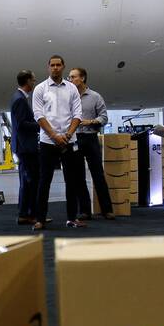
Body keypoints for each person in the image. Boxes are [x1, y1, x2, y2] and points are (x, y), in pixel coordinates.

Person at [31, 54, 87, 230]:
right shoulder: (40, 89)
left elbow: (78, 114)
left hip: (69, 141)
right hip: (48, 141)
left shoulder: (72, 89)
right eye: (52, 65)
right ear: (48, 67)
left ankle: (72, 218)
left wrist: (68, 134)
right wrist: (55, 135)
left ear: (63, 67)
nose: (55, 68)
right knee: (44, 181)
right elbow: (38, 115)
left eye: (58, 65)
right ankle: (40, 219)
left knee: (72, 181)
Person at [69, 67, 115, 220]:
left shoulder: (95, 97)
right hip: (75, 139)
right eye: (69, 77)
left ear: (82, 78)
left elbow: (104, 117)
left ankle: (107, 210)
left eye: (73, 77)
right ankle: (85, 211)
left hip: (91, 138)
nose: (70, 80)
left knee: (98, 175)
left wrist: (92, 121)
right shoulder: (68, 98)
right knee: (78, 177)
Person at [9, 70, 39, 225]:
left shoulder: (18, 97)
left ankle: (25, 213)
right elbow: (22, 125)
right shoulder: (20, 100)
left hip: (23, 146)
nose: (34, 83)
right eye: (33, 80)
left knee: (27, 181)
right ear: (28, 81)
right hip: (26, 147)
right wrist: (40, 124)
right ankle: (27, 214)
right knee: (29, 182)